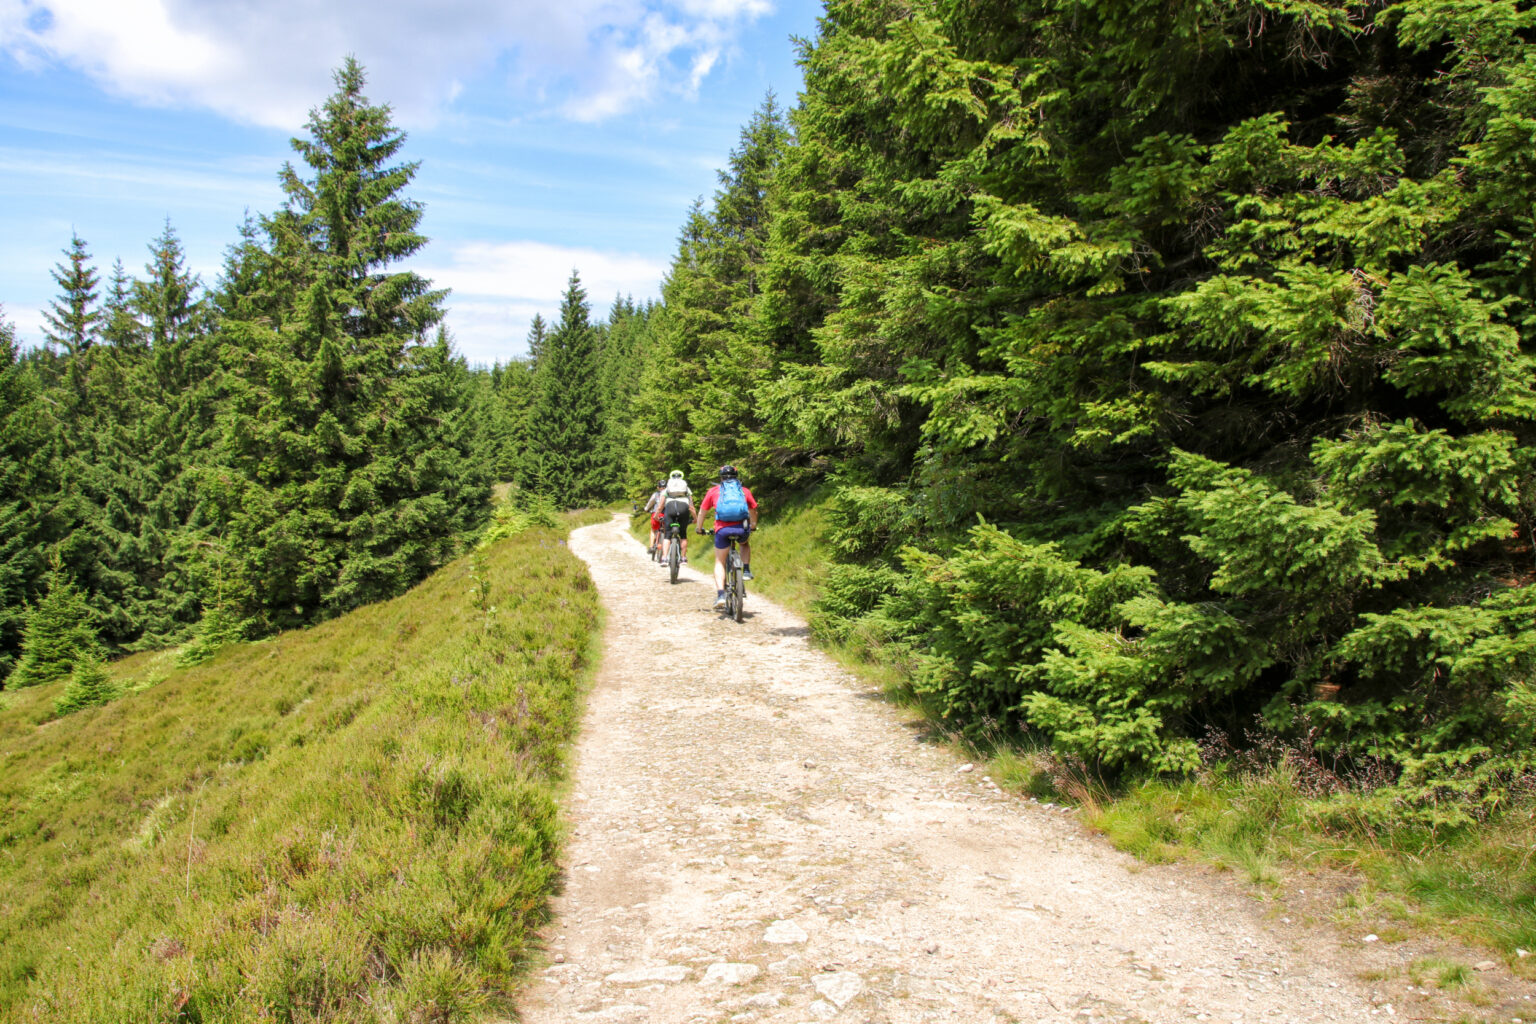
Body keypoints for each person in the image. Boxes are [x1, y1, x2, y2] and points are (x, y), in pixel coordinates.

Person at [695, 464, 758, 608]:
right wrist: (752, 525)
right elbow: (753, 509)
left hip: (722, 530)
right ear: (736, 477)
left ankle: (721, 595)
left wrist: (699, 528)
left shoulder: (713, 491)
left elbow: (702, 513)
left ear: (721, 478)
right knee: (744, 543)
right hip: (741, 529)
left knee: (719, 561)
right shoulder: (743, 491)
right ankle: (746, 570)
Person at [660, 469, 695, 566]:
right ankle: (683, 558)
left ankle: (664, 558)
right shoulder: (686, 489)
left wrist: (656, 516)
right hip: (684, 509)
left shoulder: (667, 488)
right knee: (683, 534)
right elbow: (691, 506)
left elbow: (661, 505)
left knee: (667, 535)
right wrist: (695, 518)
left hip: (670, 508)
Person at [642, 479, 666, 555]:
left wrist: (646, 509)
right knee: (666, 531)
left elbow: (650, 503)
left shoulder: (656, 494)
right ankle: (666, 549)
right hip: (666, 514)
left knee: (653, 530)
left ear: (658, 487)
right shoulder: (669, 494)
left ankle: (651, 547)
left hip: (656, 514)